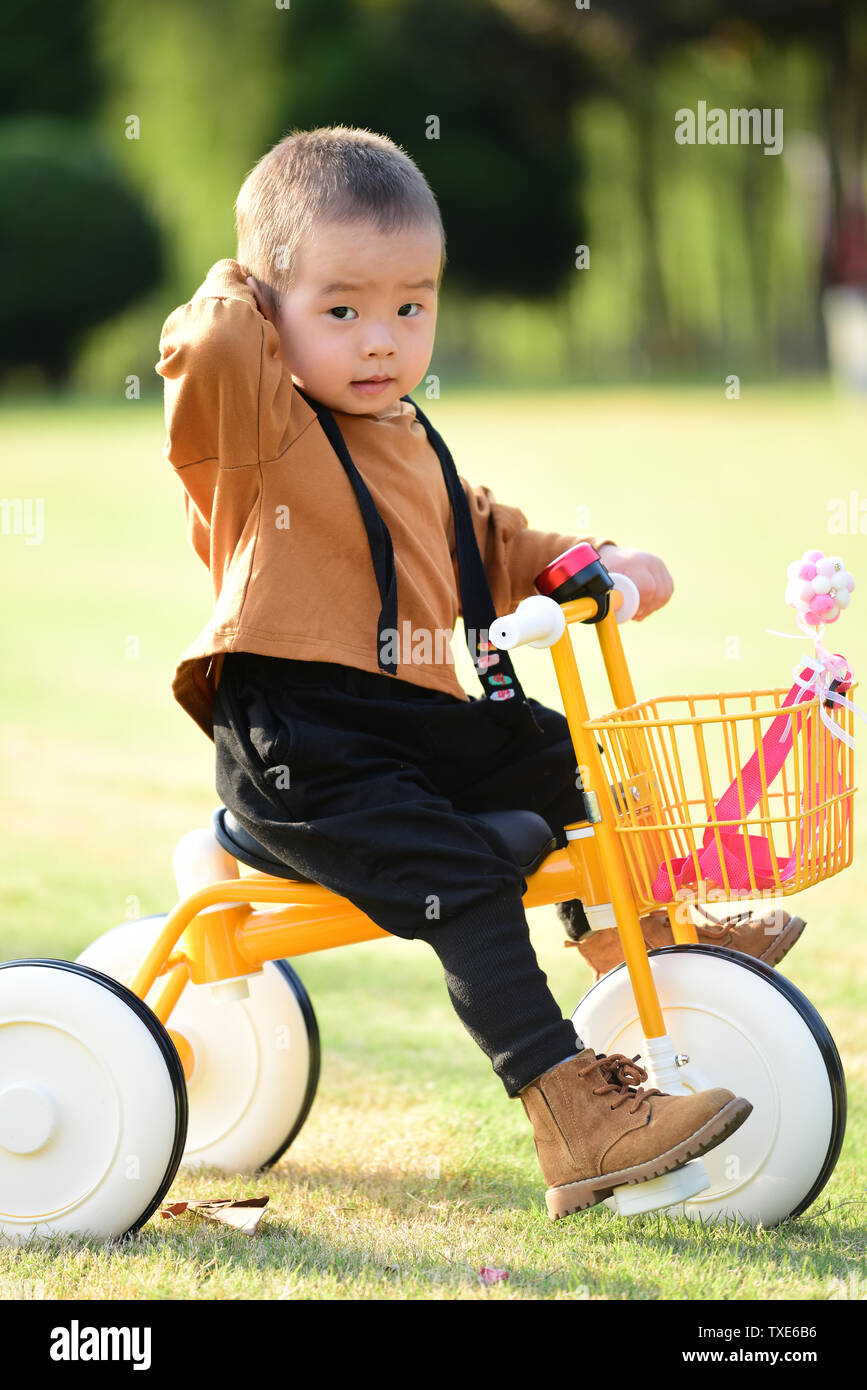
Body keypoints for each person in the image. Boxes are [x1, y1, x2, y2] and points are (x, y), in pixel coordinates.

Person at [156, 125, 754, 1217]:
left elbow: (488, 536)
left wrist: (593, 562)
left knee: (556, 756)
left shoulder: (403, 429)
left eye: (410, 305)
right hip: (305, 744)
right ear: (270, 306)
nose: (380, 339)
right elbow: (203, 351)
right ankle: (575, 1113)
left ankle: (653, 938)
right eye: (340, 309)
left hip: (411, 723)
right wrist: (240, 282)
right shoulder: (254, 429)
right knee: (468, 874)